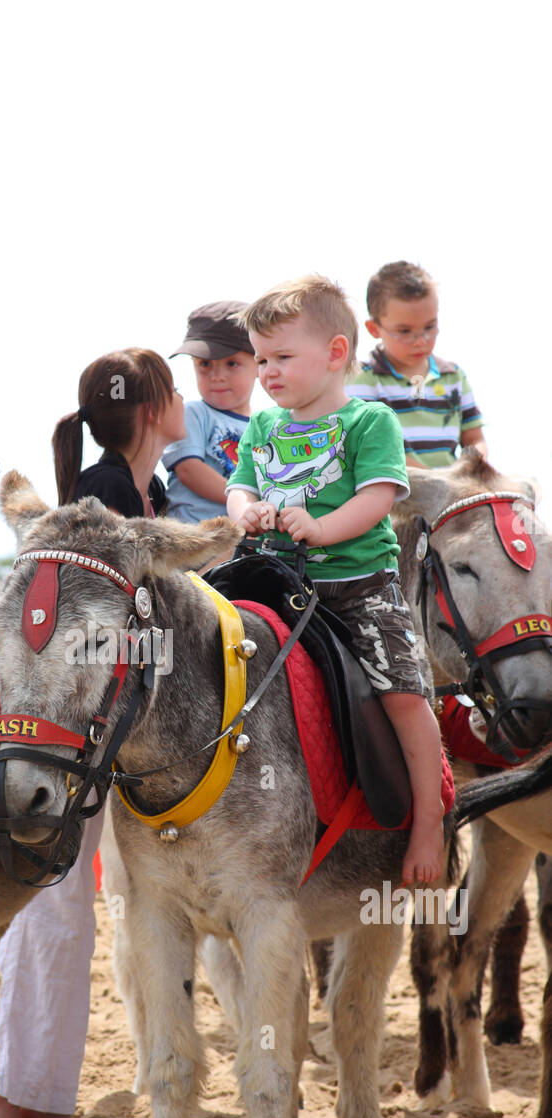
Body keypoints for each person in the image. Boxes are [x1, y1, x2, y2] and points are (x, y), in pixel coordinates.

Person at [0, 348, 186, 1118]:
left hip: (114, 731)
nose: (187, 405)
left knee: (76, 902)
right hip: (75, 728)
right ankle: (22, 1099)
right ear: (151, 412)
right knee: (57, 904)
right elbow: (74, 638)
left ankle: (29, 1092)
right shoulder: (105, 500)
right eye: (175, 393)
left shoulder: (153, 491)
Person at [225, 274, 444, 886]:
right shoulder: (263, 429)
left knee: (403, 693)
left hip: (356, 587)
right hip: (272, 584)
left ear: (336, 353)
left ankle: (428, 820)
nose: (266, 372)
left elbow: (379, 497)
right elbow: (239, 485)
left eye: (282, 357)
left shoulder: (368, 422)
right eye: (260, 359)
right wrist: (247, 512)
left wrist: (320, 529)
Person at [346, 261, 487, 468]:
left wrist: (473, 464)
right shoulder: (362, 378)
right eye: (405, 331)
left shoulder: (453, 377)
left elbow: (474, 438)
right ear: (374, 328)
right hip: (397, 491)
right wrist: (437, 480)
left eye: (430, 327)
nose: (421, 340)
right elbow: (376, 448)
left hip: (452, 490)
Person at [162, 301, 258, 524]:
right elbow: (189, 470)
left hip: (240, 539)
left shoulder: (266, 424)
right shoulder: (195, 413)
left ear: (259, 364)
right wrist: (246, 503)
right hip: (195, 535)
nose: (217, 376)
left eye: (232, 363)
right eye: (205, 364)